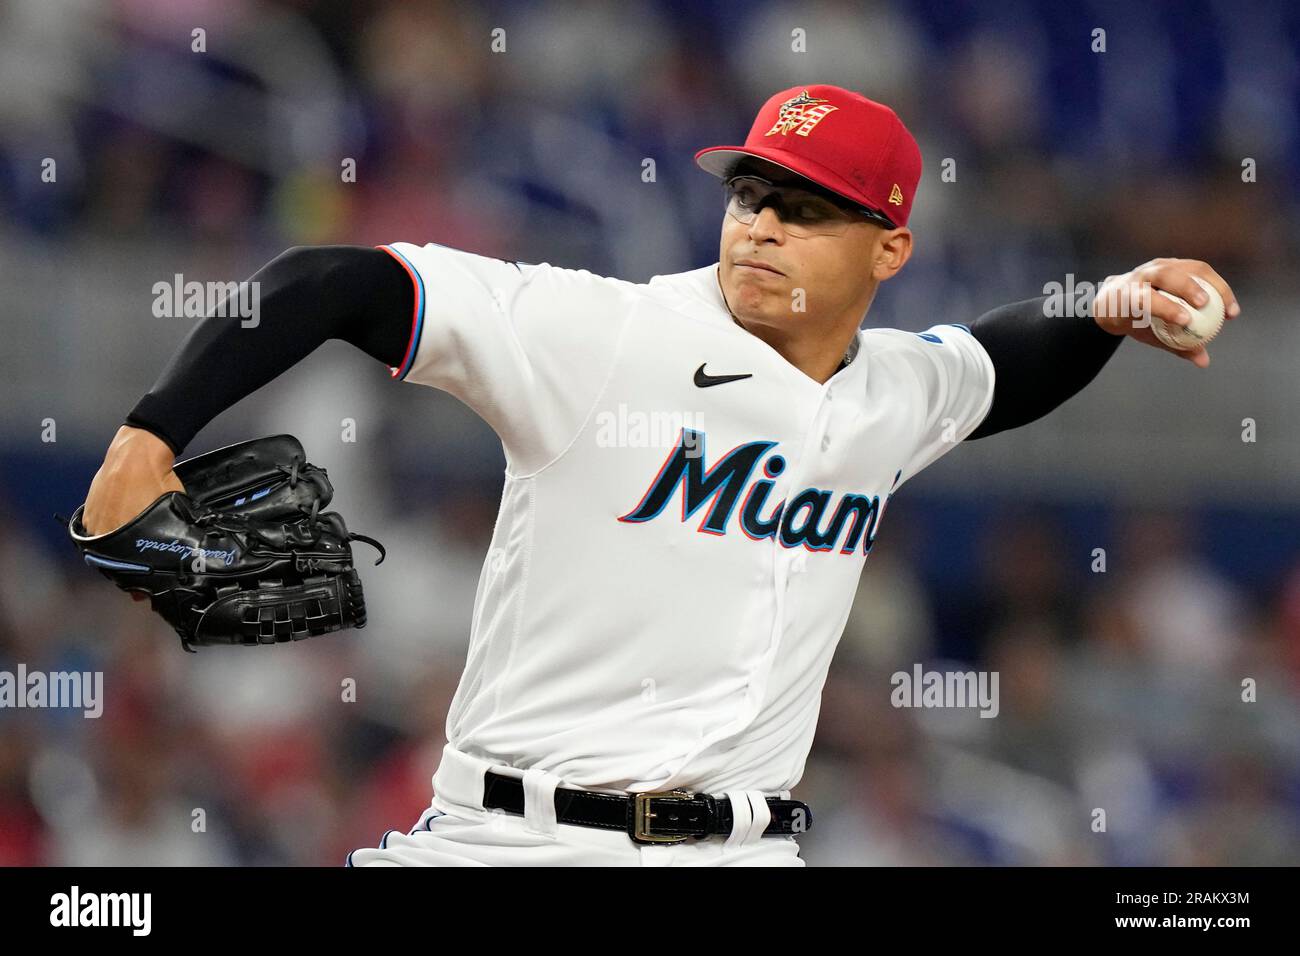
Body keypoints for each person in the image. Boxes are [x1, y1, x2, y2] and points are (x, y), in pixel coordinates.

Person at [80, 84, 1240, 866]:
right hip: (513, 843)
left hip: (745, 845)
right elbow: (336, 276)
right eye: (750, 195)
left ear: (889, 249)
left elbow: (994, 363)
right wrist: (151, 432)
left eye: (805, 210)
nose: (760, 228)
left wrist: (1105, 308)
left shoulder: (890, 392)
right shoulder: (605, 334)